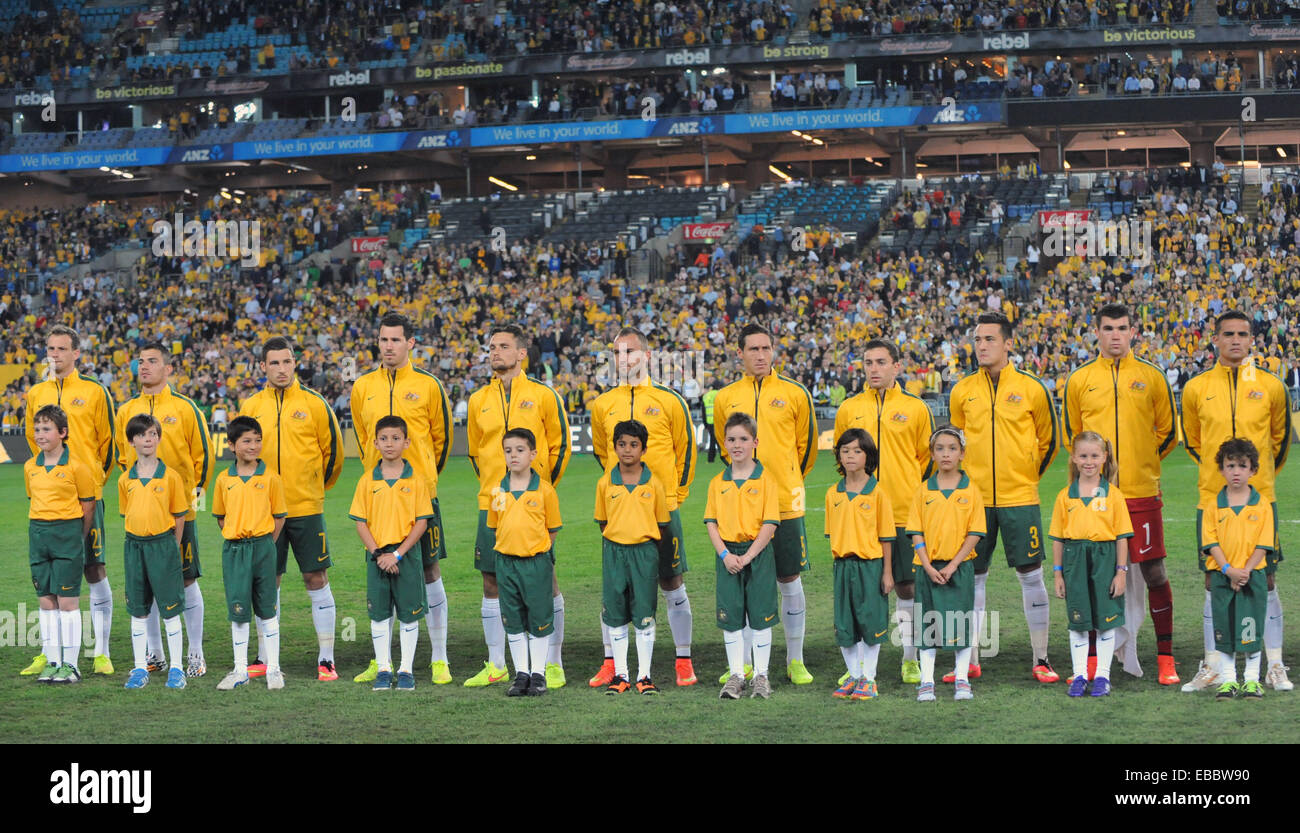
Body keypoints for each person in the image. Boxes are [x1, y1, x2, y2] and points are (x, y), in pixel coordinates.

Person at [1063, 304, 1180, 684]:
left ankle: (1165, 658)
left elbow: (1168, 433)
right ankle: (1096, 660)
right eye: (1108, 328)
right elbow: (1074, 437)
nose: (1116, 335)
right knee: (1097, 575)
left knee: (1154, 571)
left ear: (1133, 332)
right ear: (1096, 332)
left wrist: (1142, 462)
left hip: (1141, 492)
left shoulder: (1152, 376)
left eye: (1123, 328)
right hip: (1096, 496)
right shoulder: (1079, 380)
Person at [1179, 310, 1292, 692]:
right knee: (1215, 580)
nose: (1235, 340)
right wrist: (1221, 478)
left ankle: (1274, 664)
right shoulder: (1196, 388)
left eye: (1243, 334)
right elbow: (1195, 441)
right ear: (1216, 339)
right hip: (1212, 500)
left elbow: (1279, 441)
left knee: (1266, 578)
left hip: (1261, 500)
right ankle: (1213, 665)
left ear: (1251, 339)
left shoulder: (1271, 386)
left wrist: (1256, 481)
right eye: (1228, 334)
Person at [949, 312, 1061, 683]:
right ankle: (971, 658)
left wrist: (1026, 477)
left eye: (989, 339)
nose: (981, 346)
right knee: (973, 576)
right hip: (974, 502)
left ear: (1008, 343)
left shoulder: (1032, 388)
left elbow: (1050, 441)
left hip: (1020, 498)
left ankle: (1041, 658)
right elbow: (956, 444)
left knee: (1030, 574)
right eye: (978, 339)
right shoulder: (962, 390)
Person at [588, 328, 698, 688]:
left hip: (661, 511)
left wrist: (673, 498)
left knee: (671, 581)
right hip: (619, 513)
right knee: (614, 589)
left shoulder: (669, 400)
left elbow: (686, 453)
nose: (624, 359)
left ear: (647, 356)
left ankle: (683, 658)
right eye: (617, 353)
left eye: (631, 351)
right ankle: (611, 663)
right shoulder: (603, 404)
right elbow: (604, 453)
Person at [350, 313, 453, 685]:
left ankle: (439, 658)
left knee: (427, 571)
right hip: (378, 497)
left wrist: (423, 479)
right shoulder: (362, 386)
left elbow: (440, 441)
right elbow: (365, 437)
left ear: (411, 342)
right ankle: (382, 662)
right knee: (382, 570)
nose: (388, 346)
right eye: (383, 340)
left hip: (419, 497)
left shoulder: (429, 385)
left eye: (396, 340)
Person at [467, 325, 572, 689]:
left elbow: (560, 447)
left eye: (503, 346)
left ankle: (552, 663)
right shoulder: (478, 399)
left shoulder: (544, 395)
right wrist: (496, 490)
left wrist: (539, 491)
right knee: (491, 580)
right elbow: (475, 451)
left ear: (521, 352)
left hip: (533, 502)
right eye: (492, 346)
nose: (495, 352)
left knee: (546, 580)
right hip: (493, 500)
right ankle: (497, 664)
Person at [713, 323, 816, 685]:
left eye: (766, 348)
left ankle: (795, 659)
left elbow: (807, 449)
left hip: (785, 504)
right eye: (753, 349)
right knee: (741, 582)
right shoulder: (726, 397)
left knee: (789, 579)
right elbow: (726, 442)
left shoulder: (795, 393)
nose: (760, 355)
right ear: (740, 353)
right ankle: (739, 665)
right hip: (739, 506)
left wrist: (783, 479)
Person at [239, 336, 344, 681]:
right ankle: (265, 656)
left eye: (286, 362)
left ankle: (326, 658)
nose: (281, 369)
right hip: (265, 511)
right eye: (274, 363)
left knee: (316, 578)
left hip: (305, 507)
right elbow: (244, 454)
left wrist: (313, 489)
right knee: (269, 581)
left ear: (294, 363)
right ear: (263, 367)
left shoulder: (315, 404)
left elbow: (334, 455)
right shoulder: (251, 406)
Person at [834, 338, 934, 685]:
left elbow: (925, 458)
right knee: (861, 589)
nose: (873, 369)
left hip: (904, 513)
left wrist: (905, 489)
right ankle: (858, 668)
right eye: (867, 363)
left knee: (906, 587)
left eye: (880, 362)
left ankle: (910, 658)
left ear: (896, 366)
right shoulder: (850, 407)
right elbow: (842, 455)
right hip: (858, 515)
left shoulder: (916, 408)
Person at [22, 325, 117, 678]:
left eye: (62, 349)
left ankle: (101, 651)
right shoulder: (36, 392)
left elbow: (109, 445)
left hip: (86, 499)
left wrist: (90, 487)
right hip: (51, 503)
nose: (55, 355)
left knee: (94, 569)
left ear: (76, 353)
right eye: (50, 348)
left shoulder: (95, 391)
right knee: (47, 582)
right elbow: (36, 446)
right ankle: (50, 655)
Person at [115, 342, 214, 678]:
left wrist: (191, 503)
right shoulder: (126, 410)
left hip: (179, 513)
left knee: (186, 580)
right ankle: (155, 655)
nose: (144, 366)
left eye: (153, 361)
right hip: (144, 518)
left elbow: (205, 456)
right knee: (149, 584)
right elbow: (120, 459)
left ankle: (196, 653)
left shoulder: (186, 408)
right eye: (141, 361)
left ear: (168, 369)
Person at [348, 415, 432, 693]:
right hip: (376, 558)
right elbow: (361, 522)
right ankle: (384, 668)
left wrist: (396, 555)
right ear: (375, 442)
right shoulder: (366, 480)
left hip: (405, 556)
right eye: (383, 438)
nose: (389, 443)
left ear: (406, 442)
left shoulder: (417, 480)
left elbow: (421, 521)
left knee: (409, 614)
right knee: (379, 615)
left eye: (396, 438)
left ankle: (406, 669)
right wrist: (379, 555)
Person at [1049, 432, 1132, 698]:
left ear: (1104, 457)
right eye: (1083, 456)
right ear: (1073, 458)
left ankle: (1103, 677)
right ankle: (1080, 675)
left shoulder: (1114, 495)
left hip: (1105, 559)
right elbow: (1058, 539)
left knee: (1106, 621)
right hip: (1075, 561)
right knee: (1079, 621)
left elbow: (1121, 538)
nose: (1088, 461)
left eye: (1094, 456)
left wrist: (1121, 572)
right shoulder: (1065, 496)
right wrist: (1058, 573)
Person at [705, 412, 781, 700]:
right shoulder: (717, 482)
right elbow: (711, 522)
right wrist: (725, 554)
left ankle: (761, 675)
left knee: (761, 617)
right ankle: (737, 674)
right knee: (731, 617)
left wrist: (747, 556)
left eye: (743, 439)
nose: (737, 445)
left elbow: (770, 524)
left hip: (756, 555)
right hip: (727, 558)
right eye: (732, 439)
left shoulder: (766, 480)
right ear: (724, 442)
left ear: (755, 442)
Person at [907, 425, 985, 702]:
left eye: (952, 448)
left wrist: (952, 565)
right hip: (927, 569)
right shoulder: (923, 491)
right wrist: (927, 565)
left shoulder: (971, 491)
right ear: (932, 454)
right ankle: (926, 681)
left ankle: (962, 678)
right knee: (928, 625)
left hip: (959, 569)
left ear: (962, 453)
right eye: (939, 448)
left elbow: (975, 533)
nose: (946, 454)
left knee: (960, 624)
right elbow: (915, 530)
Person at [595, 419, 671, 695]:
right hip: (614, 552)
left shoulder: (654, 484)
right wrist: (620, 537)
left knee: (644, 611)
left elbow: (661, 523)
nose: (627, 450)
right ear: (614, 447)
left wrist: (639, 539)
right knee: (614, 612)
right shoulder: (606, 483)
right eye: (622, 444)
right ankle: (621, 675)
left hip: (644, 552)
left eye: (634, 445)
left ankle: (644, 675)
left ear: (644, 449)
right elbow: (603, 522)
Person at [212, 416, 288, 691]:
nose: (253, 446)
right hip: (234, 551)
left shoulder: (271, 478)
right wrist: (238, 533)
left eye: (257, 440)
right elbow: (221, 517)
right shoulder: (224, 479)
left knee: (268, 609)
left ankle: (274, 669)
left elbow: (279, 517)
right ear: (232, 445)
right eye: (246, 441)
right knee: (238, 610)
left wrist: (266, 543)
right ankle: (240, 669)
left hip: (263, 548)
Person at [118, 413, 190, 690]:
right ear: (132, 441)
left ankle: (176, 668)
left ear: (159, 438)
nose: (147, 439)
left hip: (163, 545)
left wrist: (173, 545)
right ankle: (139, 668)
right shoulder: (126, 479)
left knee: (170, 610)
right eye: (141, 435)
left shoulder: (170, 477)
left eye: (152, 434)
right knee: (138, 610)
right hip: (134, 547)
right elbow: (127, 512)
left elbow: (179, 515)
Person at [24, 405, 96, 684]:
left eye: (47, 429)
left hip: (68, 535)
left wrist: (77, 537)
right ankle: (52, 661)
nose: (40, 434)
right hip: (38, 534)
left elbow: (87, 506)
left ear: (63, 433)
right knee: (46, 601)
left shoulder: (77, 467)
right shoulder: (31, 466)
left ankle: (71, 665)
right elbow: (34, 500)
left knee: (67, 602)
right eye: (37, 429)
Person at [490, 427, 563, 697]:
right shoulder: (497, 490)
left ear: (533, 454)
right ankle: (521, 673)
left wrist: (537, 551)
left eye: (520, 450)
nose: (513, 456)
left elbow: (552, 528)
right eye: (508, 451)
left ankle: (539, 673)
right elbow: (495, 525)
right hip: (506, 563)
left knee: (539, 617)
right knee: (513, 619)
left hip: (536, 563)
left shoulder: (544, 490)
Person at [1200, 438, 1274, 700]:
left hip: (1251, 577)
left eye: (1242, 466)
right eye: (1230, 465)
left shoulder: (1262, 504)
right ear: (1221, 469)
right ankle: (1229, 681)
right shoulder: (1213, 506)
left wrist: (1244, 572)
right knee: (1226, 630)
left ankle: (1252, 680)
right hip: (1223, 577)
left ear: (1253, 470)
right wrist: (1229, 570)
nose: (1236, 471)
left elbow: (1264, 544)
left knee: (1249, 629)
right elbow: (1210, 543)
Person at [824, 428, 895, 701]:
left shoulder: (878, 493)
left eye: (857, 451)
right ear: (838, 456)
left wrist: (887, 572)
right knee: (845, 624)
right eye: (845, 451)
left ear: (868, 456)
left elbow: (886, 537)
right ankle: (853, 676)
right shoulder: (833, 494)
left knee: (870, 623)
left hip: (871, 566)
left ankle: (869, 678)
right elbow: (833, 534)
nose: (850, 456)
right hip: (842, 566)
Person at [702, 379, 720, 463]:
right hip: (719, 421)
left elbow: (703, 411)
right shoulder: (720, 394)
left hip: (710, 422)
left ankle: (710, 459)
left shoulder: (706, 396)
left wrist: (705, 424)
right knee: (722, 440)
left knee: (712, 441)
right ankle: (725, 457)